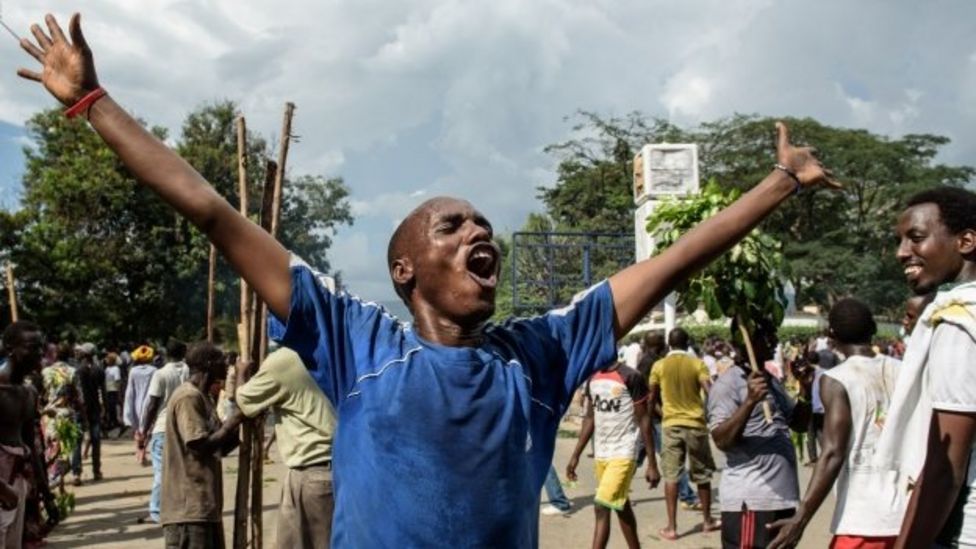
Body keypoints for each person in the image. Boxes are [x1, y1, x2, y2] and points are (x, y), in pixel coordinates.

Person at [14, 13, 837, 546]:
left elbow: (672, 262)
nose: (480, 231)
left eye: (484, 223)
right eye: (453, 224)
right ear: (404, 269)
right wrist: (92, 102)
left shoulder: (539, 355)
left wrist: (779, 183)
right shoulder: (355, 340)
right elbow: (216, 214)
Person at [872, 187, 976, 548]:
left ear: (965, 241)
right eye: (900, 241)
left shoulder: (958, 323)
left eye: (916, 238)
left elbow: (945, 469)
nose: (902, 253)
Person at [768, 298, 906, 549]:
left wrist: (801, 518)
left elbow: (832, 452)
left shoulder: (836, 379)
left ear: (831, 334)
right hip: (908, 516)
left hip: (864, 518)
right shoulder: (902, 369)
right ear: (874, 329)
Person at [708, 319, 813, 549]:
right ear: (745, 342)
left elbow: (799, 424)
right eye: (766, 336)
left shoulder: (769, 380)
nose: (774, 341)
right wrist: (749, 402)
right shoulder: (728, 384)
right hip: (752, 501)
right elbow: (721, 440)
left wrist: (805, 389)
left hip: (780, 498)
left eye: (773, 334)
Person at [229, 346, 336, 548]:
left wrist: (241, 371)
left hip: (312, 472)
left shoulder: (285, 359)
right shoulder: (330, 349)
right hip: (334, 468)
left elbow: (244, 401)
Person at [567, 362, 660, 549]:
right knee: (620, 503)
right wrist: (575, 454)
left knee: (601, 506)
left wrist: (652, 463)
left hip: (624, 452)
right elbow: (590, 418)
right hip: (602, 453)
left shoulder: (630, 376)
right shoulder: (593, 377)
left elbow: (644, 419)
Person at [160, 342, 239, 548]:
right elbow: (200, 446)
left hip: (203, 506)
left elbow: (220, 446)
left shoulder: (204, 397)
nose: (226, 366)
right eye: (222, 362)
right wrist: (234, 421)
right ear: (209, 365)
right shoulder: (188, 397)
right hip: (189, 509)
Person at [648, 327, 718, 540]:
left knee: (671, 476)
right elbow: (710, 390)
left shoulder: (659, 366)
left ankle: (672, 527)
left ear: (669, 344)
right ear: (687, 344)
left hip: (670, 425)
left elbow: (651, 398)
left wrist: (659, 415)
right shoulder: (697, 364)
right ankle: (707, 521)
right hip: (695, 424)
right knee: (702, 475)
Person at [0, 322, 59, 546]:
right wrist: (3, 490)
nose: (39, 354)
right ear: (9, 348)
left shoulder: (29, 393)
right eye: (32, 347)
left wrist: (47, 495)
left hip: (19, 484)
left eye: (40, 347)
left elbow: (30, 446)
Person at [137, 339, 188, 524]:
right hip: (184, 426)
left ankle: (156, 510)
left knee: (161, 470)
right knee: (180, 469)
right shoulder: (190, 371)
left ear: (167, 354)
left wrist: (143, 430)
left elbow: (152, 404)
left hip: (163, 427)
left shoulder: (161, 374)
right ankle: (178, 507)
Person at [40, 343, 84, 488]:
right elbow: (79, 397)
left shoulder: (46, 372)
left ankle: (54, 476)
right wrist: (82, 413)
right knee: (69, 447)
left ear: (55, 355)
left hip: (49, 414)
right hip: (67, 413)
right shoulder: (72, 371)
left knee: (52, 446)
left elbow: (41, 395)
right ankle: (65, 477)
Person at [74, 343, 105, 482]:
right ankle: (96, 471)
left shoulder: (78, 371)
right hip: (95, 410)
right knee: (96, 440)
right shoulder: (99, 370)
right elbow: (102, 392)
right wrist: (104, 409)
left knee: (77, 442)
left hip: (80, 410)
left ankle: (76, 473)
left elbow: (76, 392)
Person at [123, 345, 155, 464]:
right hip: (150, 402)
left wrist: (128, 407)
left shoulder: (133, 371)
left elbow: (130, 391)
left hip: (136, 403)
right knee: (147, 429)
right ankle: (143, 453)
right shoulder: (154, 371)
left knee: (138, 429)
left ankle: (139, 452)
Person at [103, 352, 122, 435]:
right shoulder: (107, 368)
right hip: (107, 389)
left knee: (112, 407)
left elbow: (117, 381)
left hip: (113, 390)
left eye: (107, 358)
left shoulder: (115, 369)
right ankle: (111, 421)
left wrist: (118, 392)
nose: (106, 360)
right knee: (108, 407)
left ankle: (114, 422)